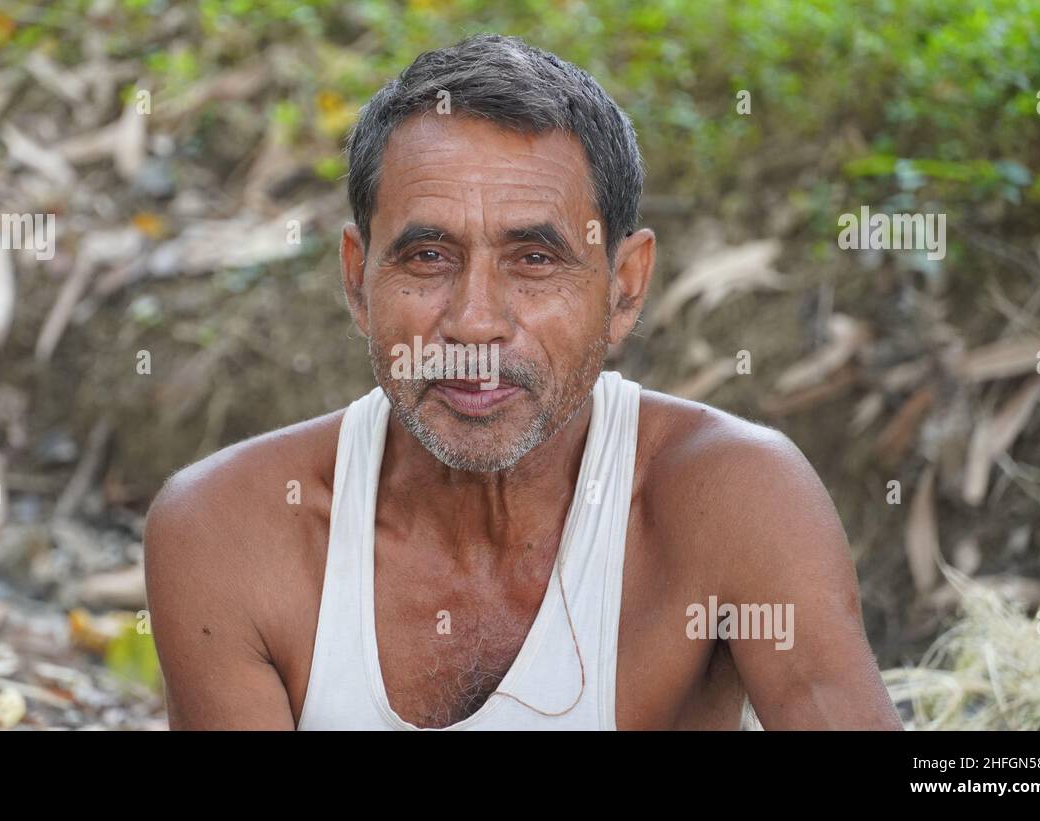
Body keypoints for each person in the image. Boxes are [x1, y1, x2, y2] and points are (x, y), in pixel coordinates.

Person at [144, 34, 902, 730]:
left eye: (535, 259)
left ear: (625, 288)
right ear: (356, 279)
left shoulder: (732, 503)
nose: (476, 324)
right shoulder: (226, 532)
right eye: (429, 257)